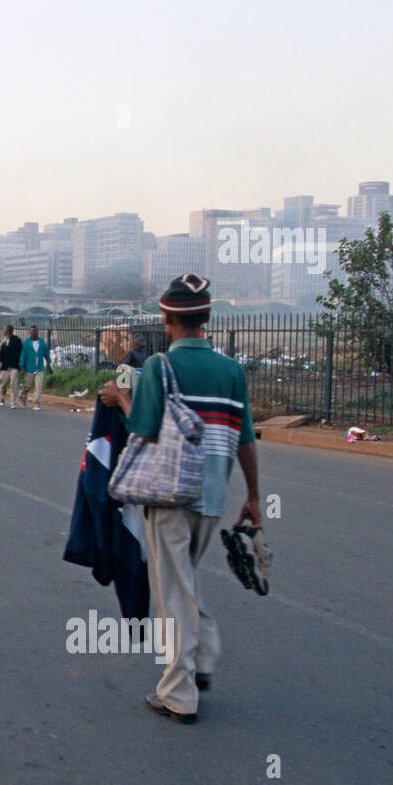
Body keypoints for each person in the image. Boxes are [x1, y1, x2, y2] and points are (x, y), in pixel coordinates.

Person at [97, 273, 261, 724]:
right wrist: (253, 497)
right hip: (211, 496)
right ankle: (203, 656)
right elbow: (245, 439)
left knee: (171, 592)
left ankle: (178, 692)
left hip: (168, 493)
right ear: (206, 317)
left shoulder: (160, 368)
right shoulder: (231, 371)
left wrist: (119, 399)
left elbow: (142, 431)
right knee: (183, 580)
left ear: (168, 318)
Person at [19, 325, 53, 410]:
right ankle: (23, 397)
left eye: (35, 331)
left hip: (39, 368)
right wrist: (22, 366)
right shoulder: (26, 343)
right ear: (29, 332)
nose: (34, 333)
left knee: (38, 386)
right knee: (28, 386)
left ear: (38, 332)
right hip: (29, 368)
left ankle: (36, 404)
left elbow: (46, 354)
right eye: (32, 331)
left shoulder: (41, 342)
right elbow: (23, 355)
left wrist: (49, 365)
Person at [0, 324, 23, 408]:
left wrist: (21, 365)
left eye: (4, 329)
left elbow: (21, 354)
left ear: (8, 331)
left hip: (14, 367)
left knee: (14, 384)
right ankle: (2, 398)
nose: (3, 331)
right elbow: (1, 353)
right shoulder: (4, 341)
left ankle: (13, 403)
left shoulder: (17, 340)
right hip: (5, 367)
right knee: (3, 385)